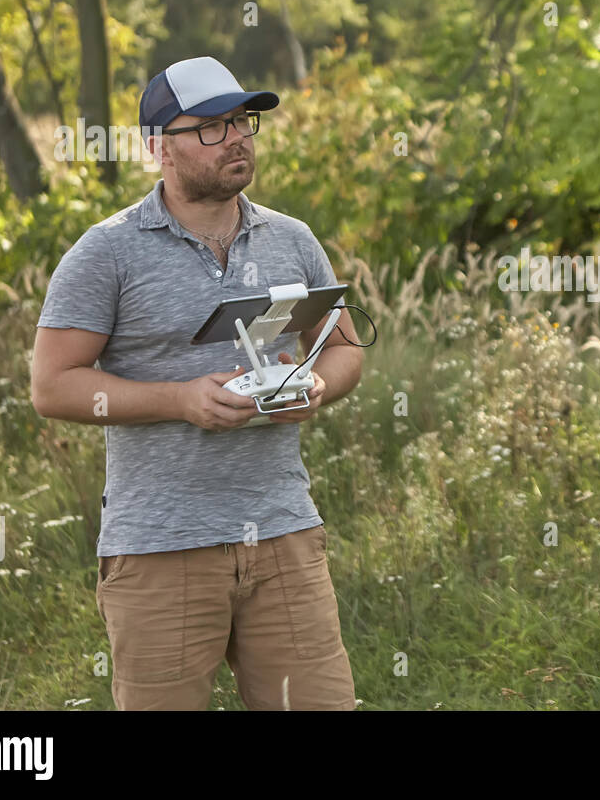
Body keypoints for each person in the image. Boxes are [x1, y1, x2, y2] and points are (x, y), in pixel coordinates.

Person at [30, 56, 361, 710]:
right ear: (158, 147)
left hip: (283, 532)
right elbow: (53, 386)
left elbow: (344, 348)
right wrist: (180, 401)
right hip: (160, 548)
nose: (235, 136)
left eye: (241, 120)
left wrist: (315, 386)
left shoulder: (291, 240)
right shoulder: (108, 252)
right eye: (210, 126)